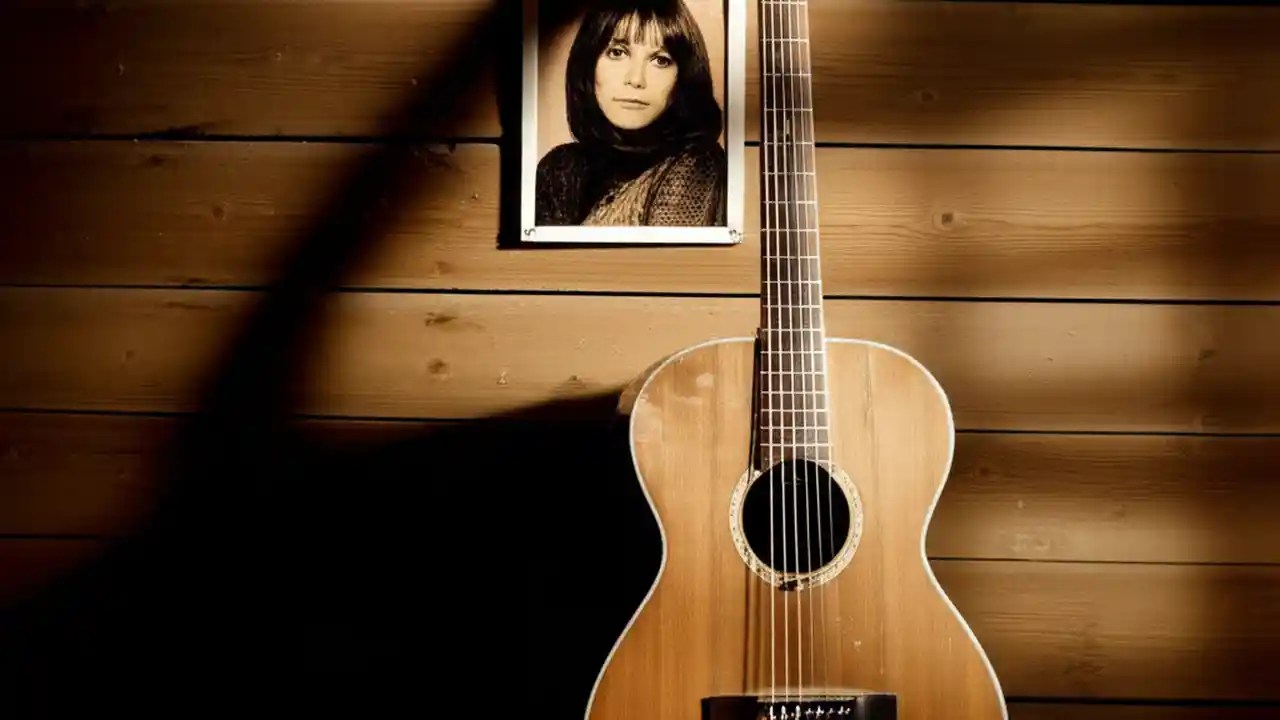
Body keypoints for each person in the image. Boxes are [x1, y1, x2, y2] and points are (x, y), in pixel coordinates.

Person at [536, 0, 726, 227]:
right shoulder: (559, 169)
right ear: (588, 63)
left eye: (660, 60)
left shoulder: (697, 164)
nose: (636, 79)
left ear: (683, 77)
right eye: (617, 52)